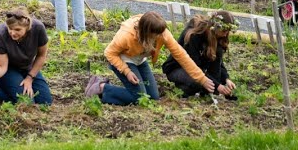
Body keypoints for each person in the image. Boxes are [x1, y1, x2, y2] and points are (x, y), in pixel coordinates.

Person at [85, 12, 214, 105]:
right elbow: (109, 53)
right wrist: (127, 71)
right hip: (124, 59)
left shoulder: (162, 33)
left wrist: (201, 78)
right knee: (139, 98)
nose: (160, 36)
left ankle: (109, 89)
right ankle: (101, 87)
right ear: (146, 32)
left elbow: (181, 56)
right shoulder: (126, 36)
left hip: (140, 60)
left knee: (153, 97)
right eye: (156, 34)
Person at [0, 8, 52, 105]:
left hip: (26, 66)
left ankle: (10, 90)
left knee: (45, 102)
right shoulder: (2, 33)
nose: (12, 33)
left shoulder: (38, 28)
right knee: (27, 102)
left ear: (27, 27)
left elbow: (41, 56)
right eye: (10, 29)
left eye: (17, 29)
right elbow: (1, 66)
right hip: (8, 68)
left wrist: (29, 78)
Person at [163, 11, 237, 99]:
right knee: (197, 83)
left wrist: (226, 79)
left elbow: (218, 63)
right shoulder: (194, 36)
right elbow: (193, 66)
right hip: (179, 67)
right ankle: (181, 89)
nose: (225, 34)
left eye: (228, 32)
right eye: (224, 31)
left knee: (212, 83)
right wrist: (217, 86)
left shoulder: (218, 37)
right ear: (215, 27)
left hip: (197, 69)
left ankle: (204, 90)